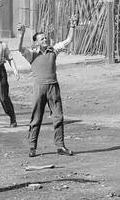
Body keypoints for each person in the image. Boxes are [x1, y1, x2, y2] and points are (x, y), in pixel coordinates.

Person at [17, 19, 76, 157]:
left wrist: (72, 25)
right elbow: (20, 49)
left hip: (53, 87)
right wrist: (21, 33)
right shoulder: (32, 54)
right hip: (39, 89)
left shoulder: (53, 50)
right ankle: (32, 147)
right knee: (36, 118)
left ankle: (60, 146)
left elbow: (68, 40)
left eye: (45, 38)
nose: (45, 40)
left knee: (58, 117)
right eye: (42, 39)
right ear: (36, 42)